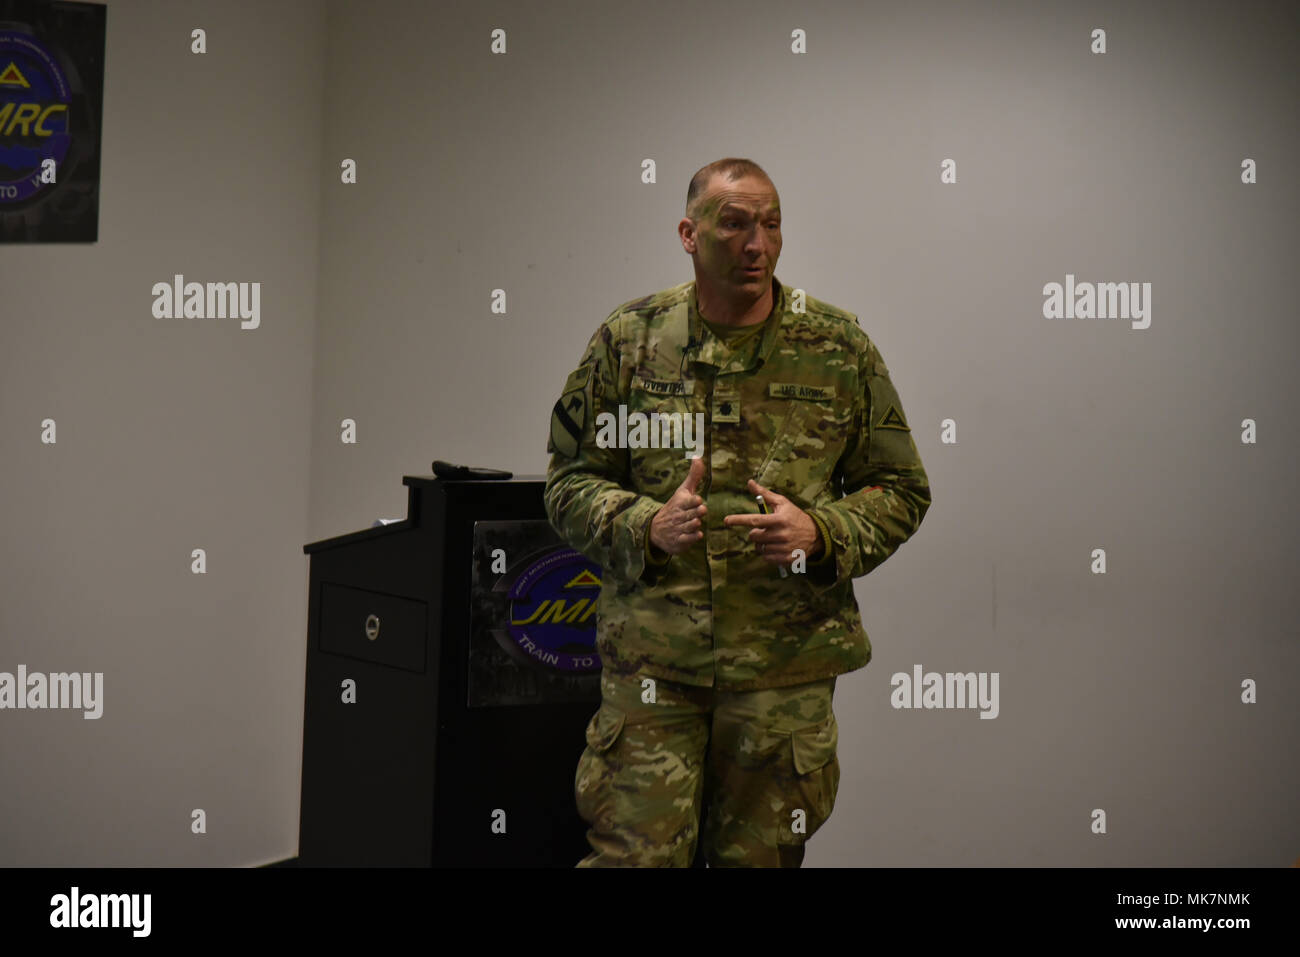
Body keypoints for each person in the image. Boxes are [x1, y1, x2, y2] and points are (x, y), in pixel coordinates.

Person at [544, 157, 931, 867]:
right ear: (690, 234)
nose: (758, 243)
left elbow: (902, 487)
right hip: (654, 667)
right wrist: (644, 525)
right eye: (736, 223)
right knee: (633, 861)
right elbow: (569, 480)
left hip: (781, 674)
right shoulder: (628, 343)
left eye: (771, 223)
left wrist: (822, 532)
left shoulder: (838, 349)